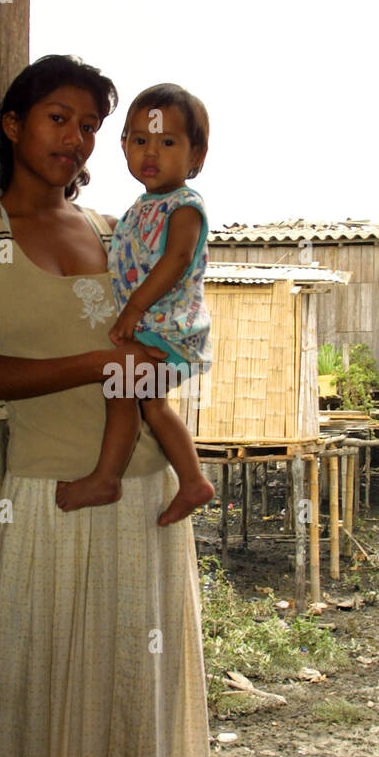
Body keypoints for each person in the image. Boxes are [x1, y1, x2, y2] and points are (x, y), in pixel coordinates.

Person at [0, 55, 212, 757]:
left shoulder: (113, 227)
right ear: (13, 124)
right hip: (54, 494)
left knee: (136, 690)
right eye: (60, 118)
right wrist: (98, 363)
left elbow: (163, 332)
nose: (79, 138)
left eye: (91, 124)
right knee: (52, 690)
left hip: (141, 498)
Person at [55, 83, 216, 526]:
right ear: (123, 145)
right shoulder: (140, 209)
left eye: (168, 142)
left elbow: (175, 261)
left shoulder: (184, 208)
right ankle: (192, 480)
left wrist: (133, 311)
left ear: (196, 156)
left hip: (169, 332)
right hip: (152, 329)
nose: (152, 152)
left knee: (123, 392)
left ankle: (109, 478)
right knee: (146, 402)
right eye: (140, 140)